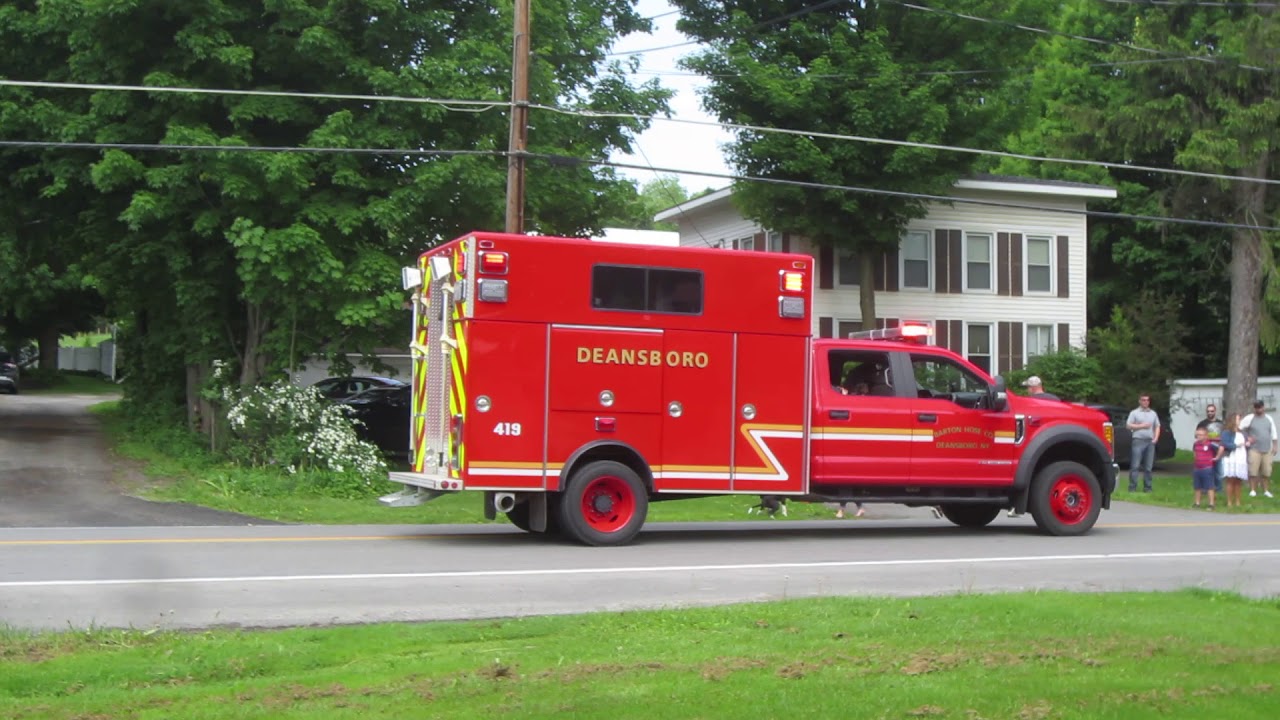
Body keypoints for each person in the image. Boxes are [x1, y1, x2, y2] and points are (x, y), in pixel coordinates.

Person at [1240, 400, 1277, 499]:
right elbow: (1240, 428)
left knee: (1266, 471)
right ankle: (1253, 490)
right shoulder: (1250, 418)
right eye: (1256, 407)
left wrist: (1275, 445)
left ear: (1263, 407)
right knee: (1253, 471)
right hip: (1254, 449)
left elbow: (1273, 432)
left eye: (1260, 407)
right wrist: (1247, 437)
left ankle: (1266, 490)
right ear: (1254, 408)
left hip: (1266, 449)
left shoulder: (1269, 418)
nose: (1258, 409)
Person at [1126, 394, 1161, 492]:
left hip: (1150, 442)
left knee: (1148, 467)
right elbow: (1128, 425)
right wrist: (1141, 426)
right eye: (1143, 400)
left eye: (1147, 400)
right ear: (1139, 401)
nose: (1145, 402)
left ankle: (1148, 487)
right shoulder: (1134, 413)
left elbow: (1157, 426)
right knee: (1135, 465)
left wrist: (1156, 438)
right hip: (1138, 441)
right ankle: (1132, 487)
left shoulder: (1153, 413)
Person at [1220, 413, 1249, 508]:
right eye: (1238, 419)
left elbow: (1245, 443)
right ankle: (1229, 502)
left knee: (1238, 481)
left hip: (1241, 458)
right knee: (1230, 480)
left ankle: (1237, 501)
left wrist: (1248, 443)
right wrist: (1236, 445)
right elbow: (1225, 444)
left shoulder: (1243, 433)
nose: (1239, 421)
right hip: (1231, 457)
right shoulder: (1226, 432)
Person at [1197, 404, 1225, 494]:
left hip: (1218, 450)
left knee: (1219, 472)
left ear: (1215, 411)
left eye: (1212, 411)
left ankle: (1219, 489)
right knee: (1206, 471)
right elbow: (1196, 435)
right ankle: (1205, 489)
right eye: (1208, 411)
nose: (1210, 413)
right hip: (1206, 451)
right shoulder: (1202, 424)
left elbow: (1224, 437)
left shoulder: (1220, 424)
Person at [1190, 427, 1222, 509]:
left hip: (1207, 468)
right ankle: (1197, 503)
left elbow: (1221, 448)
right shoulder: (1196, 444)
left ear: (1205, 436)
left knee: (1210, 487)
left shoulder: (1210, 444)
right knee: (1197, 487)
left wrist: (1217, 457)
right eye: (1197, 435)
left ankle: (1211, 504)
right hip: (1197, 468)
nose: (1199, 437)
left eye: (1201, 435)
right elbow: (1194, 452)